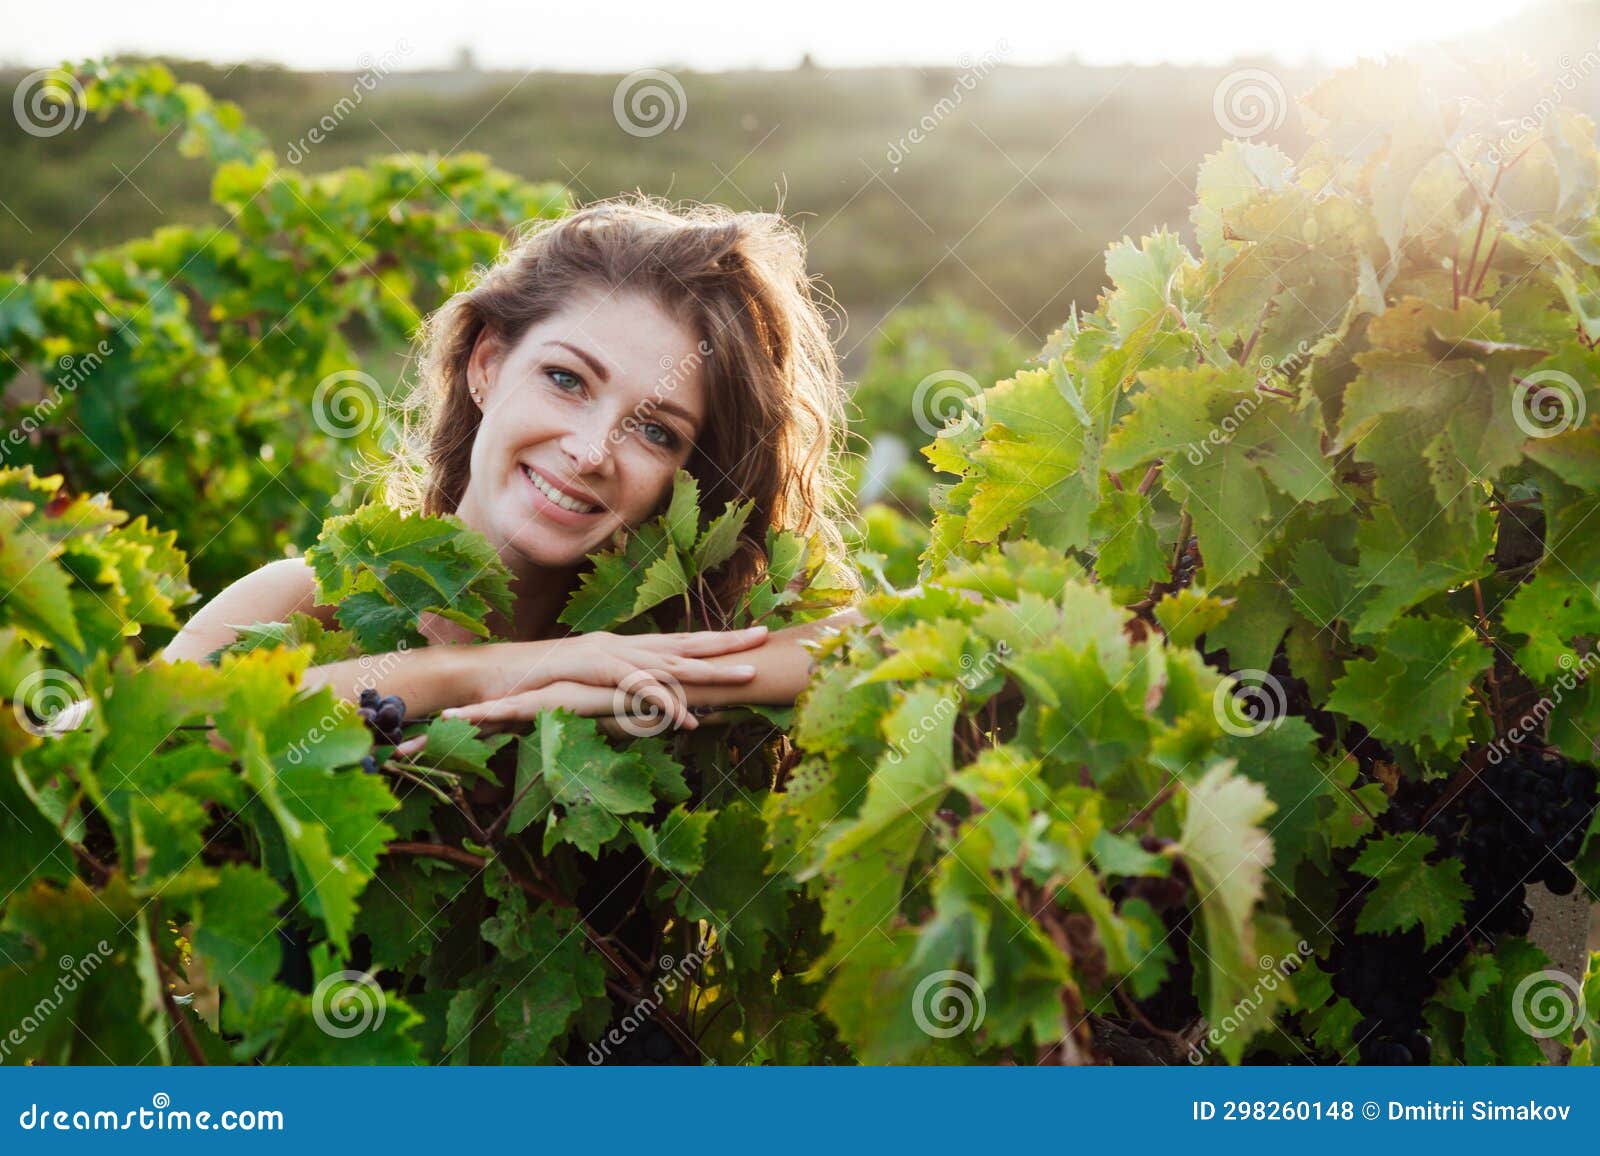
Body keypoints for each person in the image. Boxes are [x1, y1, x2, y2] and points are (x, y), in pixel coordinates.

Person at [161, 196, 867, 734]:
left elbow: (934, 636)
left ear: (687, 474)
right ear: (488, 364)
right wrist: (480, 673)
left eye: (655, 430)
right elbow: (114, 742)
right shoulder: (301, 606)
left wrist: (649, 681)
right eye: (566, 380)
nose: (591, 452)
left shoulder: (653, 646)